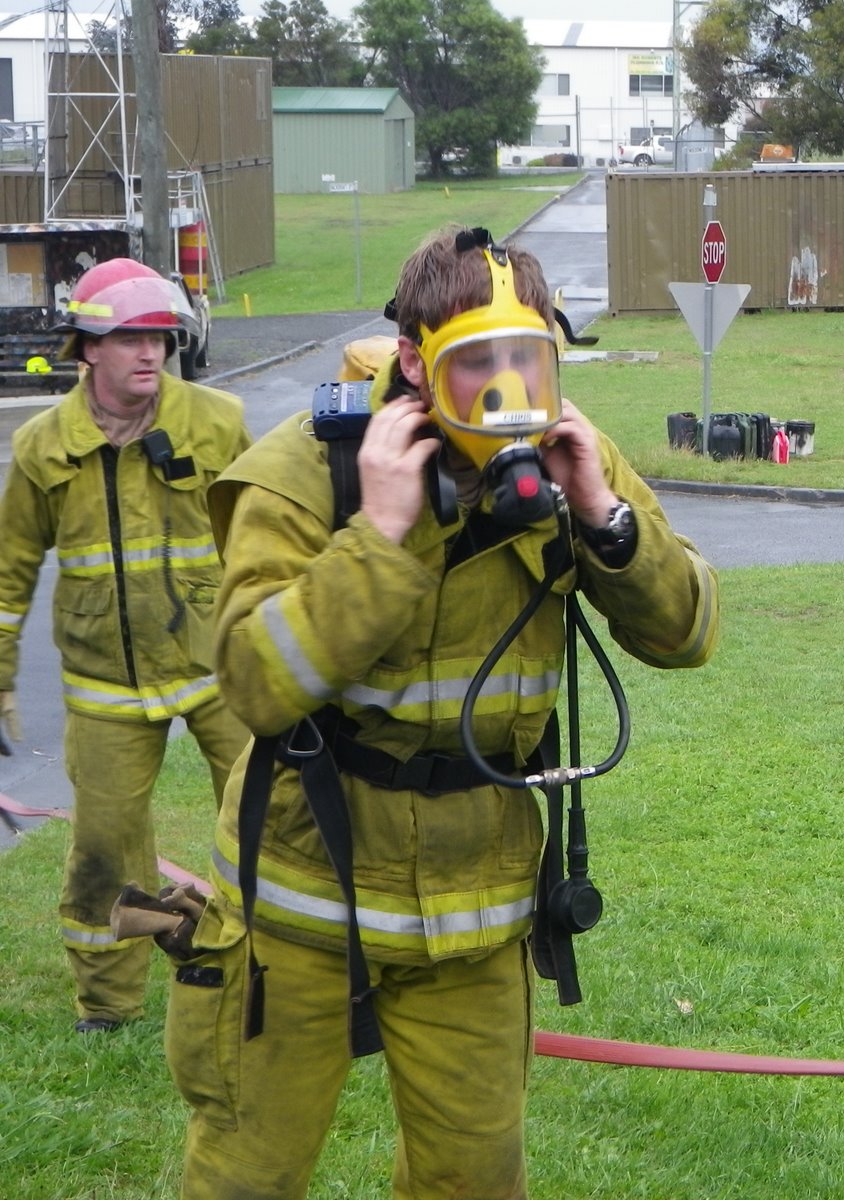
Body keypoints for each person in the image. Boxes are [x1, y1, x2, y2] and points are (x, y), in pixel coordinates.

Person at [161, 224, 720, 1199]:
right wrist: (379, 534)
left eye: (530, 361)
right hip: (301, 898)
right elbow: (253, 683)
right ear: (416, 365)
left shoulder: (567, 455)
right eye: (474, 367)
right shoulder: (313, 467)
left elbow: (687, 632)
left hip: (474, 912)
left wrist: (606, 520)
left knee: (475, 1179)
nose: (507, 394)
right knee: (248, 1171)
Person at [0, 257, 252, 1034]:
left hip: (221, 672)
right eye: (131, 339)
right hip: (105, 687)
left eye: (161, 339)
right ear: (87, 348)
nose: (151, 354)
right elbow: (9, 574)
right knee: (105, 850)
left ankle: (276, 975)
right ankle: (106, 1007)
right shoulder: (44, 446)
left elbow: (270, 538)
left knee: (272, 829)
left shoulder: (216, 421)